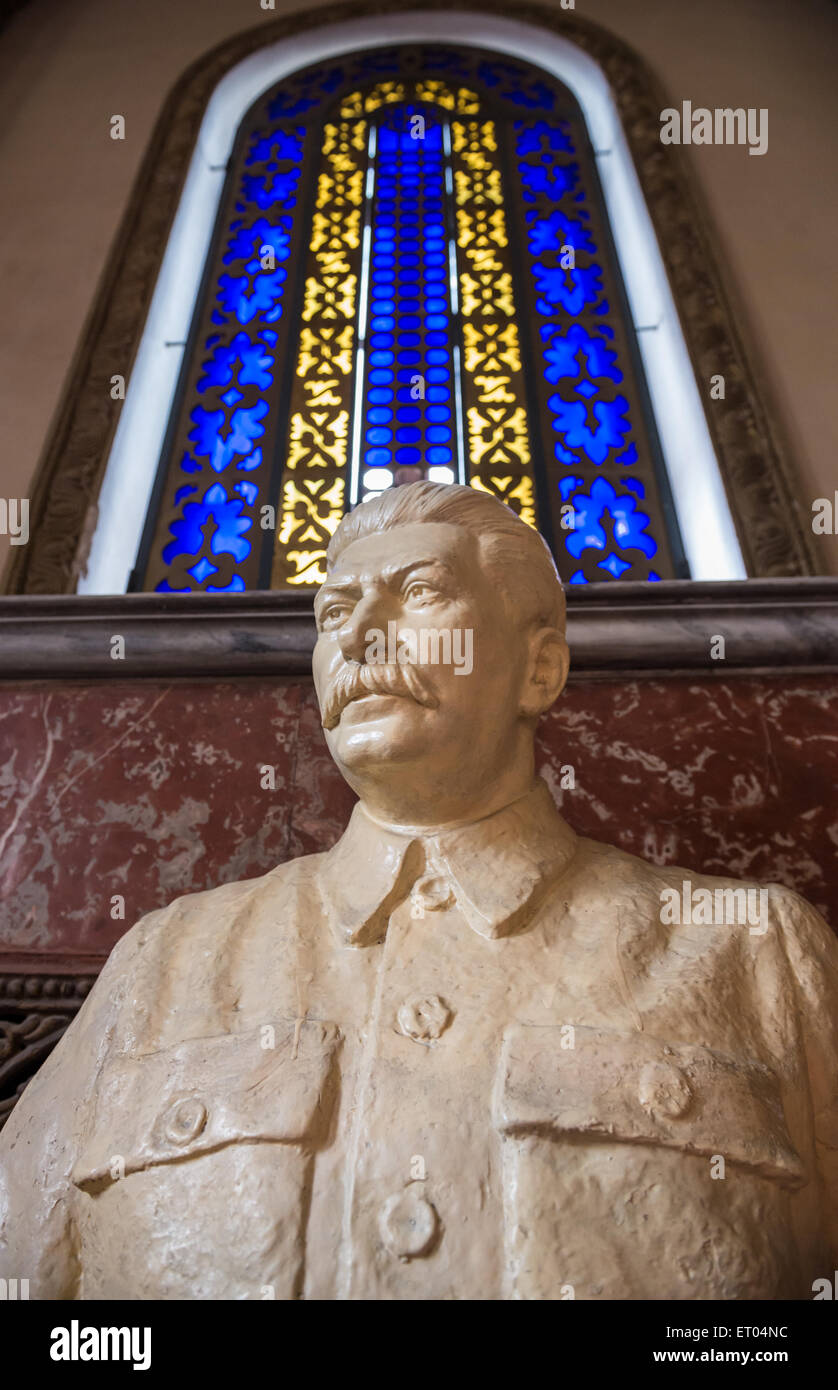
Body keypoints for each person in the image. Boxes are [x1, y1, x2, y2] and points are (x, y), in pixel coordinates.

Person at [1, 481, 836, 1299]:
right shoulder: (163, 960)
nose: (361, 633)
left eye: (421, 593)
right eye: (332, 614)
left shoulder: (754, 950)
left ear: (539, 668)